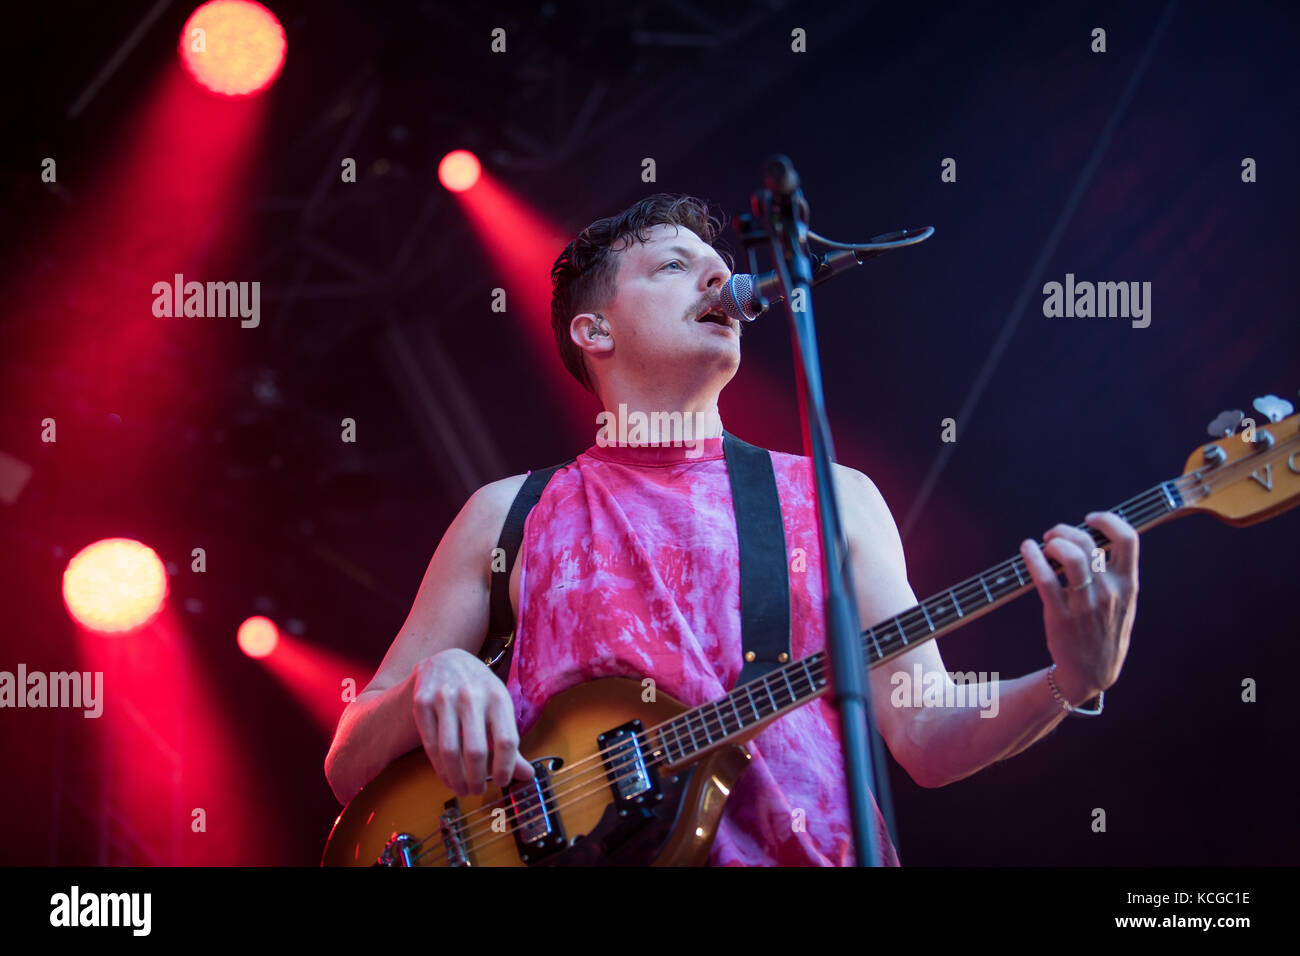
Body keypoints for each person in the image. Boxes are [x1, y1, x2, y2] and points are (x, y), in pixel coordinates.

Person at [323, 193, 1140, 865]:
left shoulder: (833, 497)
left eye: (717, 266)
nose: (719, 276)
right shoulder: (508, 514)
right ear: (593, 331)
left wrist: (1070, 679)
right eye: (674, 267)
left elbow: (926, 733)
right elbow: (349, 760)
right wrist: (431, 686)